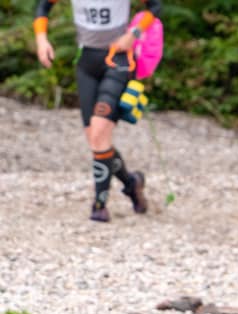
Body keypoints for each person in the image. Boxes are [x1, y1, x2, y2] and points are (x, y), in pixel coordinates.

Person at [33, 0, 159, 223]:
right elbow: (43, 5)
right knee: (95, 138)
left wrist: (134, 33)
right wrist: (42, 39)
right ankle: (131, 183)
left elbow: (155, 6)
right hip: (87, 63)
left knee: (100, 131)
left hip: (118, 61)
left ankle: (99, 206)